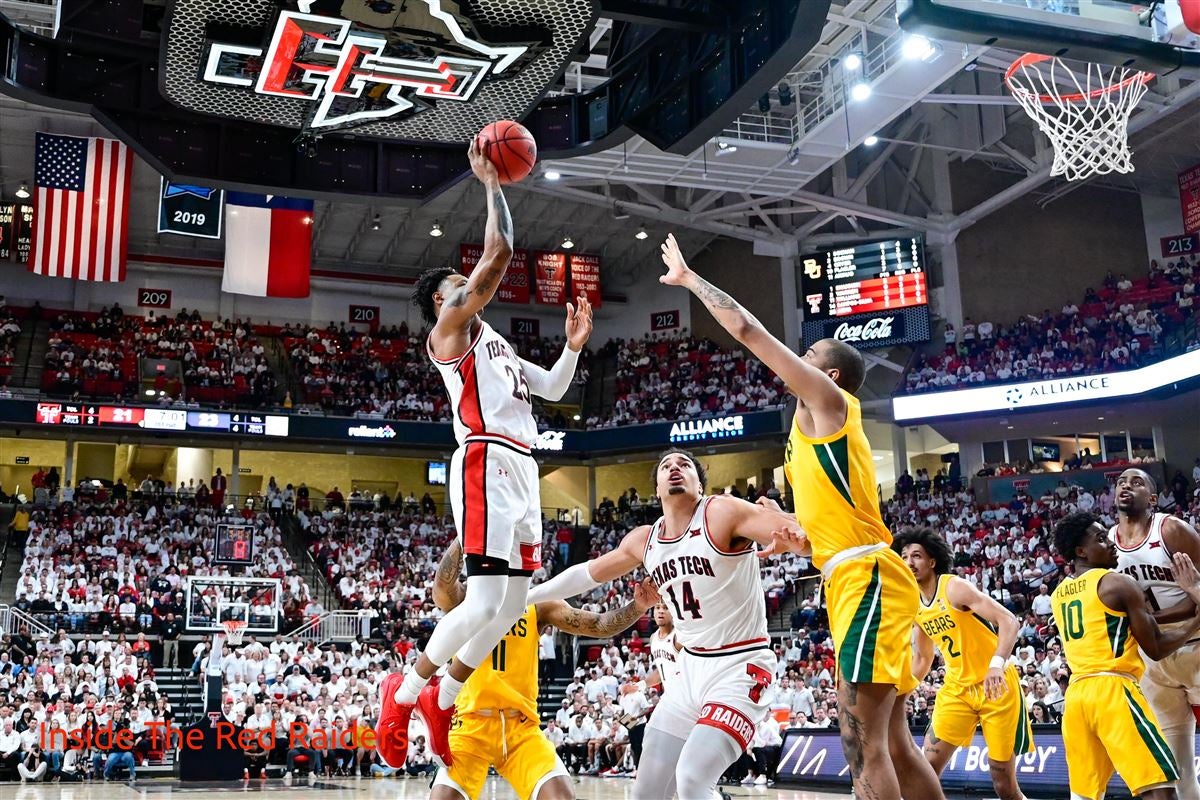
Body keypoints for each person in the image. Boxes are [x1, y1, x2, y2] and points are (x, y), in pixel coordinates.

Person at [655, 233, 942, 800]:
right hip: (855, 575)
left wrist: (690, 280)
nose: (800, 360)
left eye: (810, 357)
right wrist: (792, 531)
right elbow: (832, 522)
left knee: (862, 745)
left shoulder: (830, 404)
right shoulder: (809, 436)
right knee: (898, 743)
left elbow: (746, 331)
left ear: (829, 376)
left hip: (867, 580)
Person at [376, 137, 595, 769]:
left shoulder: (493, 341)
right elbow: (497, 255)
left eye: (461, 285)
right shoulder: (448, 334)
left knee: (509, 605)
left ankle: (444, 693)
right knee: (481, 601)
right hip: (484, 461)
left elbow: (552, 387)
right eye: (454, 286)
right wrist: (491, 181)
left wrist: (574, 347)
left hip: (526, 467)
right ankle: (407, 689)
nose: (464, 289)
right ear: (439, 307)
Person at [526, 447, 809, 800]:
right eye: (666, 466)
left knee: (691, 779)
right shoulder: (644, 540)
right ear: (657, 488)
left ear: (700, 484)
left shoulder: (721, 511)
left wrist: (798, 537)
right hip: (688, 674)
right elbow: (584, 575)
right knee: (647, 792)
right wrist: (526, 598)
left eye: (685, 464)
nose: (675, 468)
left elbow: (798, 537)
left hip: (740, 666)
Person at [427, 537, 657, 799]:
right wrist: (468, 529)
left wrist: (638, 606)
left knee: (560, 796)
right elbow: (442, 587)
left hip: (521, 728)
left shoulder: (537, 603)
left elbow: (598, 625)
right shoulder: (467, 598)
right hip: (469, 726)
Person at [1052, 513, 1200, 800]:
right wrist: (1196, 622)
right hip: (1113, 691)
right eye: (1101, 539)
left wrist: (1186, 610)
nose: (1110, 544)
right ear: (1081, 551)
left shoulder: (1059, 595)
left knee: (1083, 795)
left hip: (1077, 697)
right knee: (1160, 787)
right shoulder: (1117, 583)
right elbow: (1155, 647)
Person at [894, 528, 1032, 800]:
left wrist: (996, 664)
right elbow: (923, 657)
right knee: (925, 770)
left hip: (996, 688)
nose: (909, 562)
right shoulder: (913, 602)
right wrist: (900, 693)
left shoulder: (953, 587)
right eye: (904, 556)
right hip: (957, 689)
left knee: (1004, 786)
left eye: (917, 556)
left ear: (932, 561)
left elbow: (1008, 621)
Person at [1112, 468, 1200, 800]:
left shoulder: (1171, 530)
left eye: (1136, 482)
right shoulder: (1106, 544)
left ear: (1152, 498)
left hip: (1195, 644)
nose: (1126, 486)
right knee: (1177, 769)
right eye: (1121, 482)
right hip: (1153, 656)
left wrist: (1153, 615)